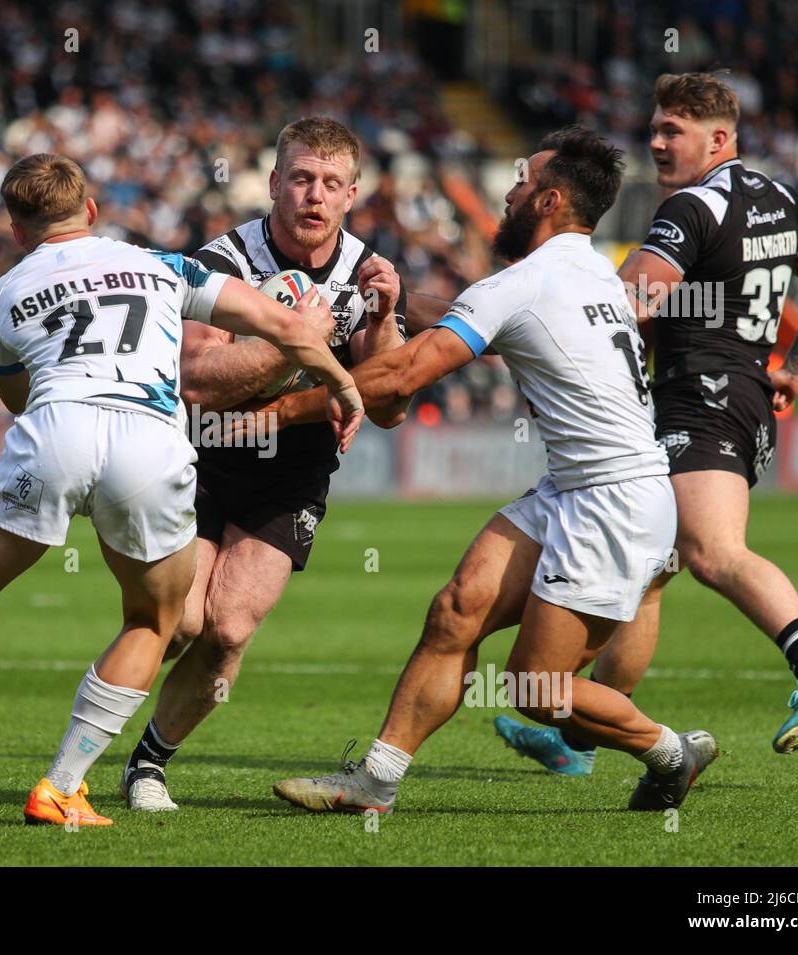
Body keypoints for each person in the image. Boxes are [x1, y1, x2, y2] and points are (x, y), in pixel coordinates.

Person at [0, 153, 363, 831]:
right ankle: (61, 785)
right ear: (90, 211)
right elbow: (287, 328)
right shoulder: (165, 266)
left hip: (55, 428)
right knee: (153, 619)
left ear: (16, 229)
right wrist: (343, 388)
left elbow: (16, 394)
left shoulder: (2, 293)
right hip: (148, 442)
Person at [262, 126, 717, 814]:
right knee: (456, 610)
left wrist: (280, 409)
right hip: (581, 487)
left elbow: (411, 369)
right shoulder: (594, 268)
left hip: (612, 503)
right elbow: (483, 325)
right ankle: (374, 784)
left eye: (520, 183)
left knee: (537, 690)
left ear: (549, 199)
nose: (506, 194)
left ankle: (672, 753)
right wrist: (393, 306)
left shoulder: (523, 282)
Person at [497, 73, 798, 776]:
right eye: (656, 127)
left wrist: (533, 307)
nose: (657, 142)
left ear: (719, 139)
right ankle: (579, 739)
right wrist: (794, 365)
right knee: (654, 571)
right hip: (747, 396)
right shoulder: (776, 198)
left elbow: (624, 301)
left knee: (711, 551)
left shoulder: (688, 208)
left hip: (699, 398)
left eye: (673, 131)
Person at [121, 117, 410, 812]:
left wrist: (383, 319)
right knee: (181, 621)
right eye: (302, 179)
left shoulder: (368, 272)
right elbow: (199, 378)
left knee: (229, 629)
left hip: (291, 475)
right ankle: (95, 718)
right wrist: (298, 342)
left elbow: (393, 405)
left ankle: (148, 765)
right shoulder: (223, 262)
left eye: (331, 184)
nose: (314, 195)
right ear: (275, 182)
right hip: (200, 460)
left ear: (352, 194)